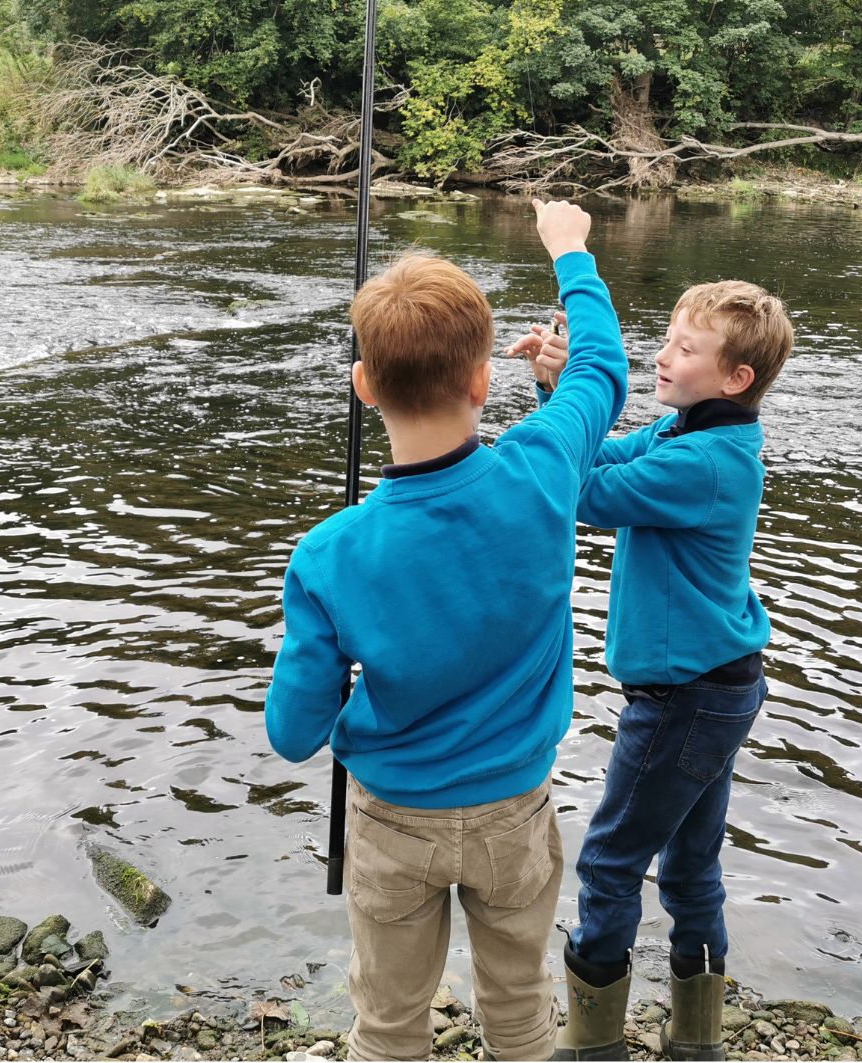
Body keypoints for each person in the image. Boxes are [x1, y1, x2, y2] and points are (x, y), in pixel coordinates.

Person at [264, 200, 628, 1062]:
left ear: (363, 386)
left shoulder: (328, 555)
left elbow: (292, 733)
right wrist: (569, 251)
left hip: (392, 821)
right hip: (513, 811)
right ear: (479, 383)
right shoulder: (542, 471)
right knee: (517, 1008)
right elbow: (601, 372)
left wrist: (352, 672)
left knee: (388, 1023)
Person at [508, 281, 793, 1061]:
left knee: (608, 859)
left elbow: (579, 490)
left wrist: (561, 403)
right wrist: (558, 390)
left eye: (684, 349)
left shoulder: (703, 461)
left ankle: (592, 1047)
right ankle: (694, 1043)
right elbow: (595, 453)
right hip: (717, 686)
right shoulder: (686, 433)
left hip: (684, 699)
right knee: (690, 864)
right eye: (666, 339)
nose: (661, 356)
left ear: (735, 378)